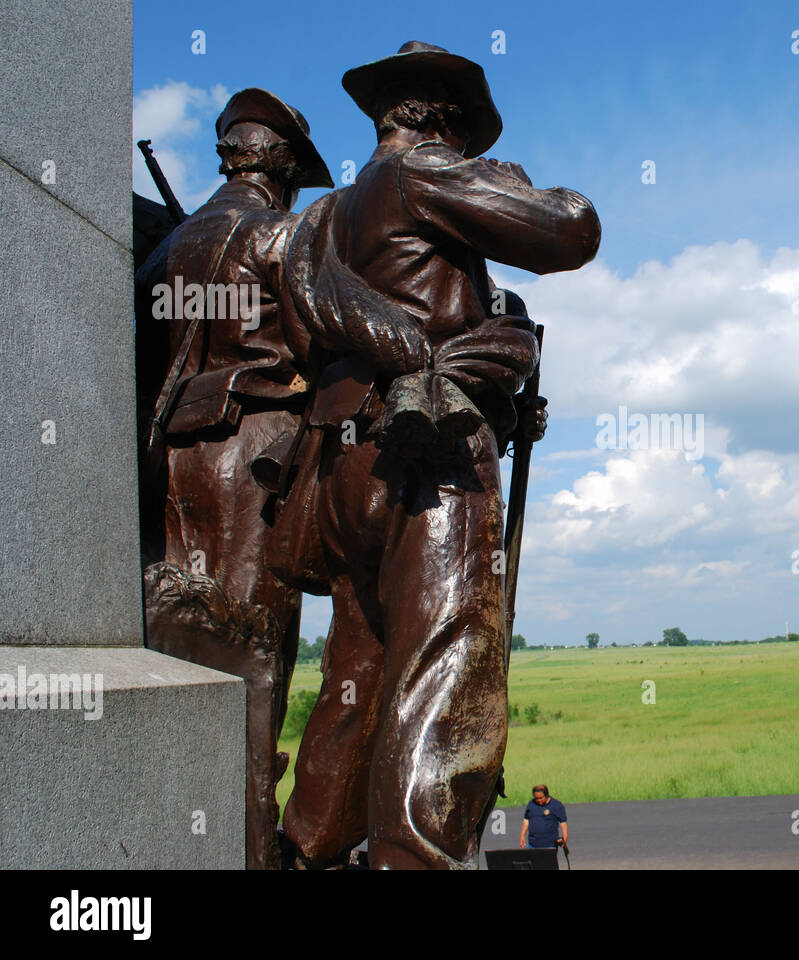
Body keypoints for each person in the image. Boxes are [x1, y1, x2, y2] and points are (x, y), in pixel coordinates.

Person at [280, 41, 599, 870]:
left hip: (350, 456)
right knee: (444, 661)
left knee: (358, 671)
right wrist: (516, 185)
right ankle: (411, 859)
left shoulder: (332, 215)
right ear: (443, 123)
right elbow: (573, 228)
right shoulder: (425, 172)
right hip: (431, 452)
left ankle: (307, 848)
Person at [134, 88, 333, 869]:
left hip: (167, 464)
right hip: (255, 456)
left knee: (178, 653)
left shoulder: (163, 250)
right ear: (281, 166)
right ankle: (251, 852)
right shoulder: (284, 234)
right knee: (254, 664)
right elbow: (329, 342)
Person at [519, 785, 568, 850]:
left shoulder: (556, 805)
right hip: (532, 845)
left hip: (550, 845)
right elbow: (526, 820)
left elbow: (563, 823)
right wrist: (522, 835)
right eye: (536, 798)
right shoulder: (531, 804)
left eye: (541, 798)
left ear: (547, 795)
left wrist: (564, 839)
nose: (539, 800)